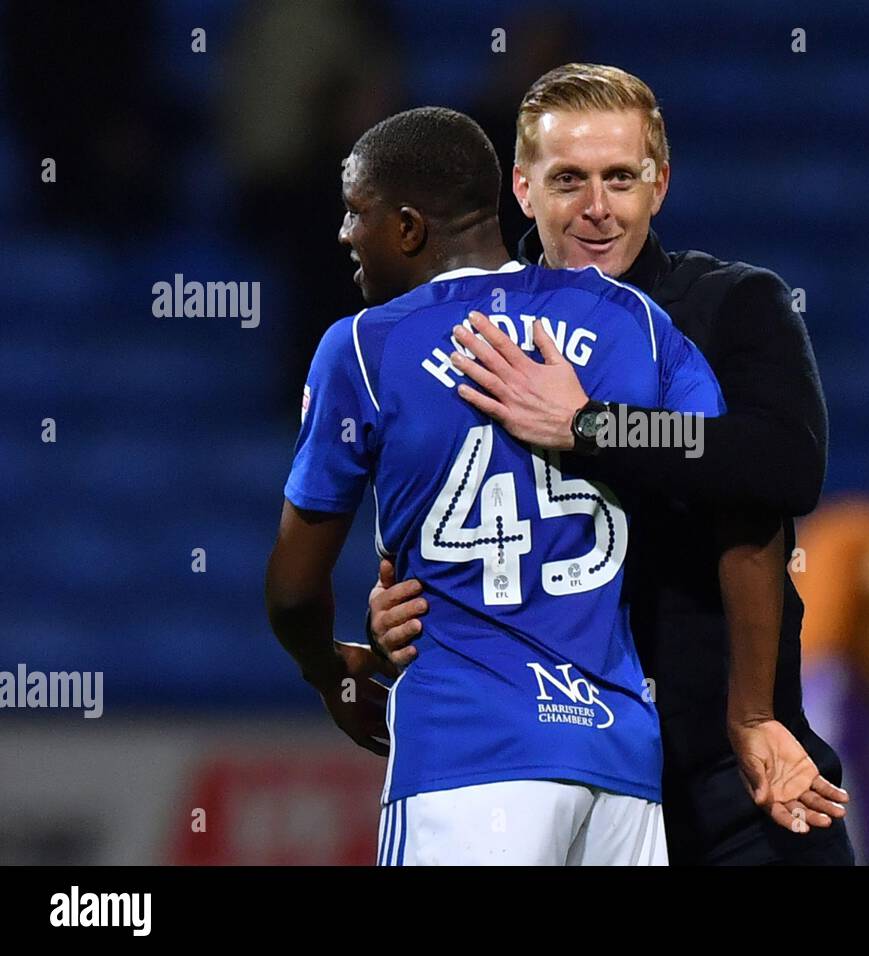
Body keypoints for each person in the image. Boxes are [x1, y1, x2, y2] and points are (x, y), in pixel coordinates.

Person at [367, 64, 855, 865]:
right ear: (521, 189)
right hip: (555, 781)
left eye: (620, 178)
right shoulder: (454, 334)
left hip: (739, 767)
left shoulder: (731, 304)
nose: (597, 208)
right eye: (569, 181)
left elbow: (783, 465)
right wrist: (390, 618)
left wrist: (591, 426)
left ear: (659, 184)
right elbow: (426, 525)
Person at [265, 106, 728, 864]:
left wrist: (333, 674)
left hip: (468, 753)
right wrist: (597, 427)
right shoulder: (634, 323)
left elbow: (290, 590)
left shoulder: (362, 347)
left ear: (409, 227)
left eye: (358, 213)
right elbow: (716, 461)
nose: (346, 236)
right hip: (616, 762)